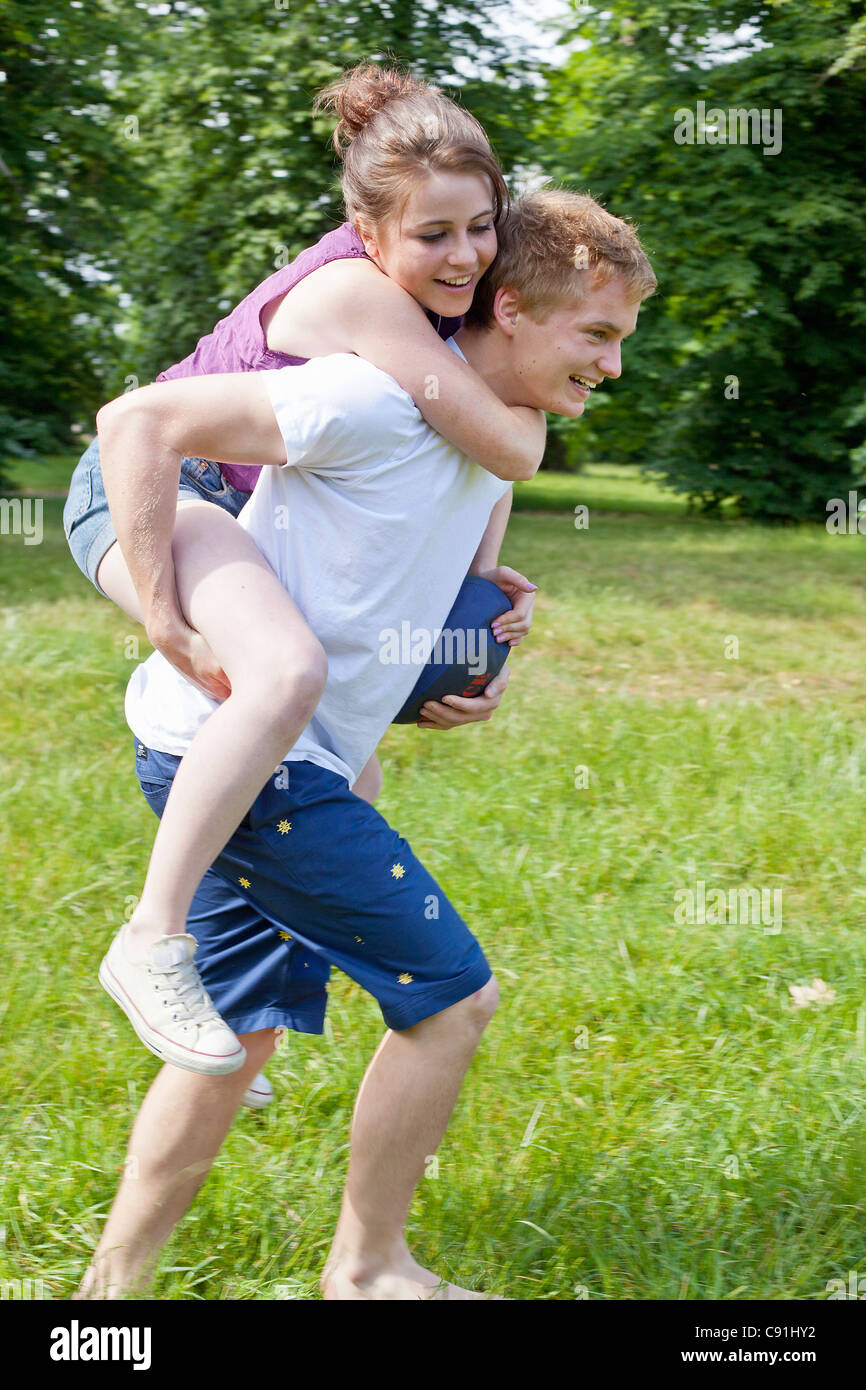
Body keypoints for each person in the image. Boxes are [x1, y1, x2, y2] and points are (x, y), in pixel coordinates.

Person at [76, 188, 657, 1300]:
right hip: (252, 766)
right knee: (451, 1000)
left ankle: (105, 1299)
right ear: (509, 307)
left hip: (252, 760)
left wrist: (459, 654)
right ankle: (368, 1269)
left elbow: (387, 589)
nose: (612, 365)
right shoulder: (363, 398)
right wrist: (161, 600)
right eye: (595, 334)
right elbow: (140, 421)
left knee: (233, 1037)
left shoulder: (491, 444)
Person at [63, 62, 545, 1078]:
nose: (464, 255)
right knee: (281, 674)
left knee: (335, 769)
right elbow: (502, 443)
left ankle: (235, 1014)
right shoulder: (362, 299)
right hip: (145, 482)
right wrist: (164, 613)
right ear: (369, 234)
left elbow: (466, 459)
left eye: (481, 226)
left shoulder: (435, 303)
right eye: (434, 235)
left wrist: (467, 612)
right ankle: (149, 939)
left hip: (229, 502)